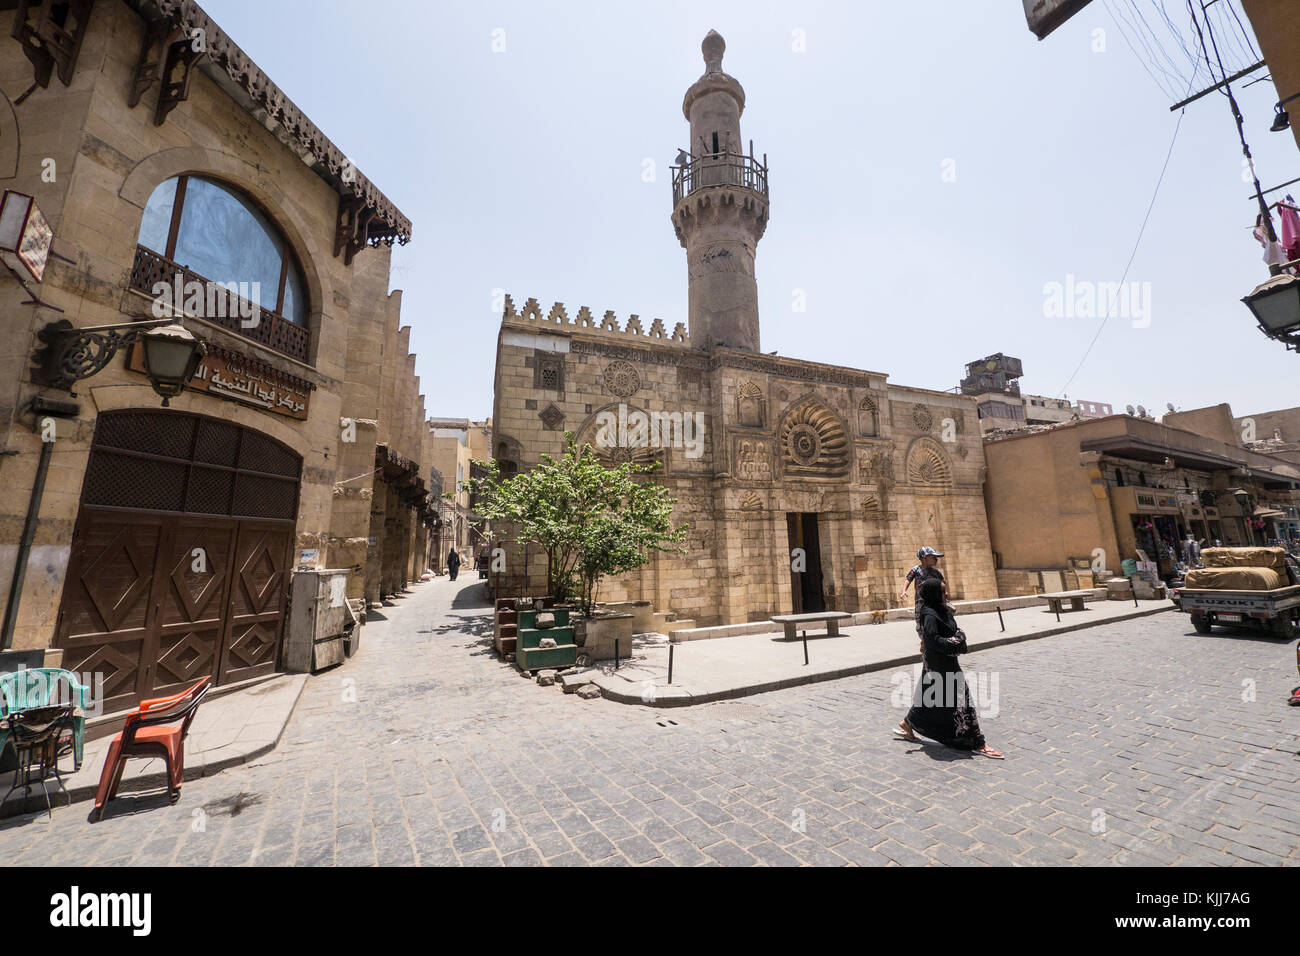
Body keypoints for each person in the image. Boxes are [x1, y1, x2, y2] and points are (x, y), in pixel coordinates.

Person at [897, 579, 1003, 759]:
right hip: (941, 665)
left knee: (929, 694)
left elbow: (952, 630)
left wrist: (959, 634)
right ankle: (977, 742)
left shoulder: (940, 609)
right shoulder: (930, 614)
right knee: (961, 700)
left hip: (941, 663)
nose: (947, 594)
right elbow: (933, 640)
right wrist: (958, 639)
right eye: (943, 591)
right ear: (933, 593)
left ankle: (909, 723)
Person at [900, 546, 948, 652]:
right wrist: (904, 591)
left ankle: (934, 639)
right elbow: (908, 579)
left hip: (935, 602)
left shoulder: (936, 572)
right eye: (933, 557)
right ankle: (924, 640)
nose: (936, 559)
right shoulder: (916, 570)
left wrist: (945, 593)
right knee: (920, 622)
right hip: (921, 602)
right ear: (924, 558)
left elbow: (943, 582)